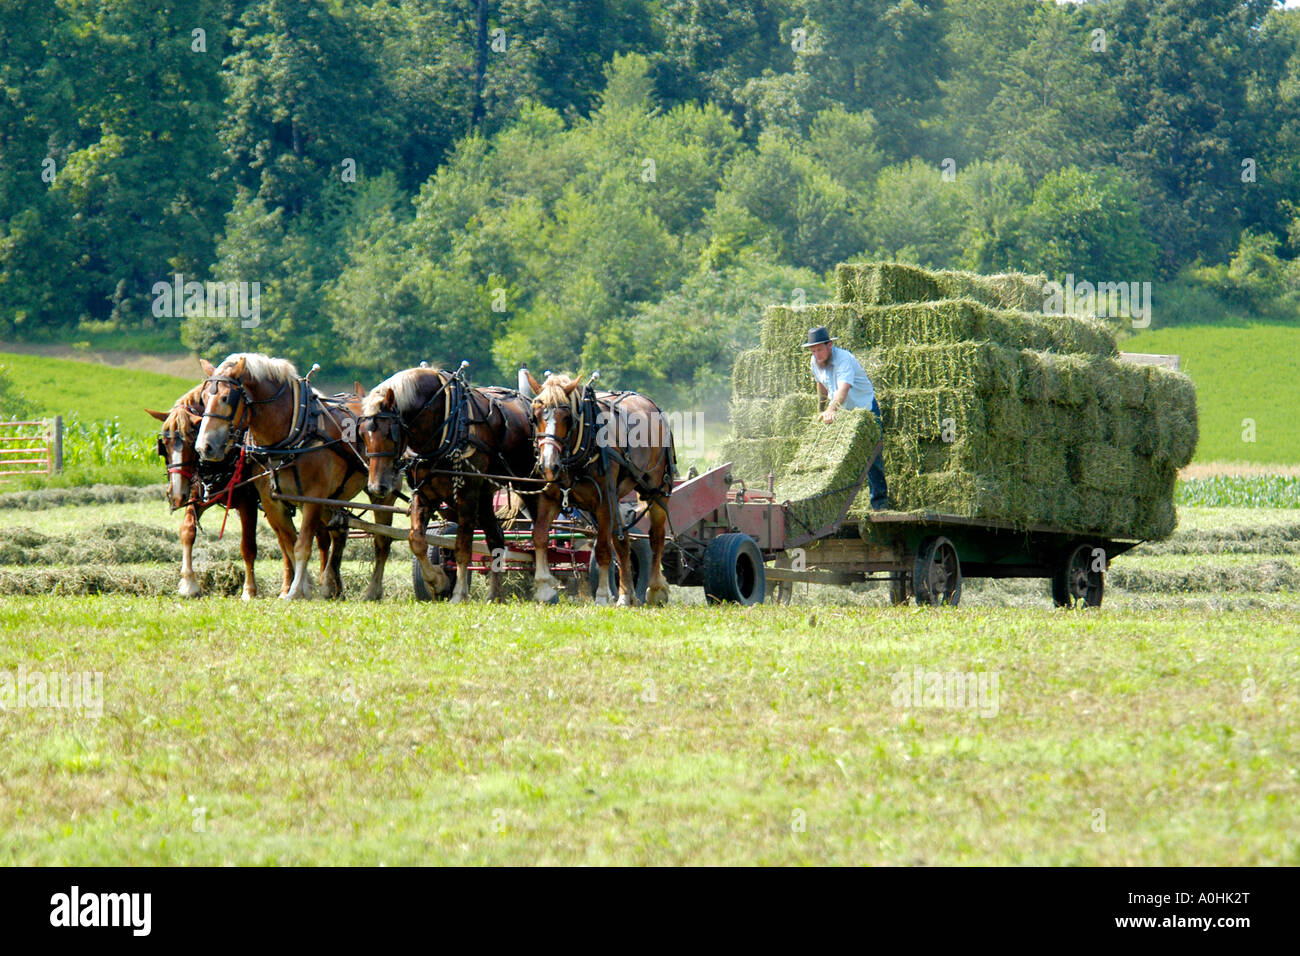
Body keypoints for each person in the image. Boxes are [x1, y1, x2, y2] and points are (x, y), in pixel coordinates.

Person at [802, 325, 890, 510]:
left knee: (871, 456)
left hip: (865, 409)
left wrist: (832, 410)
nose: (816, 354)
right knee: (839, 456)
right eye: (813, 350)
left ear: (829, 345)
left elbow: (843, 389)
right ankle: (841, 507)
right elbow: (821, 385)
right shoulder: (814, 361)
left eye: (819, 349)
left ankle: (879, 503)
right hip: (843, 412)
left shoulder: (844, 359)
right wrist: (821, 409)